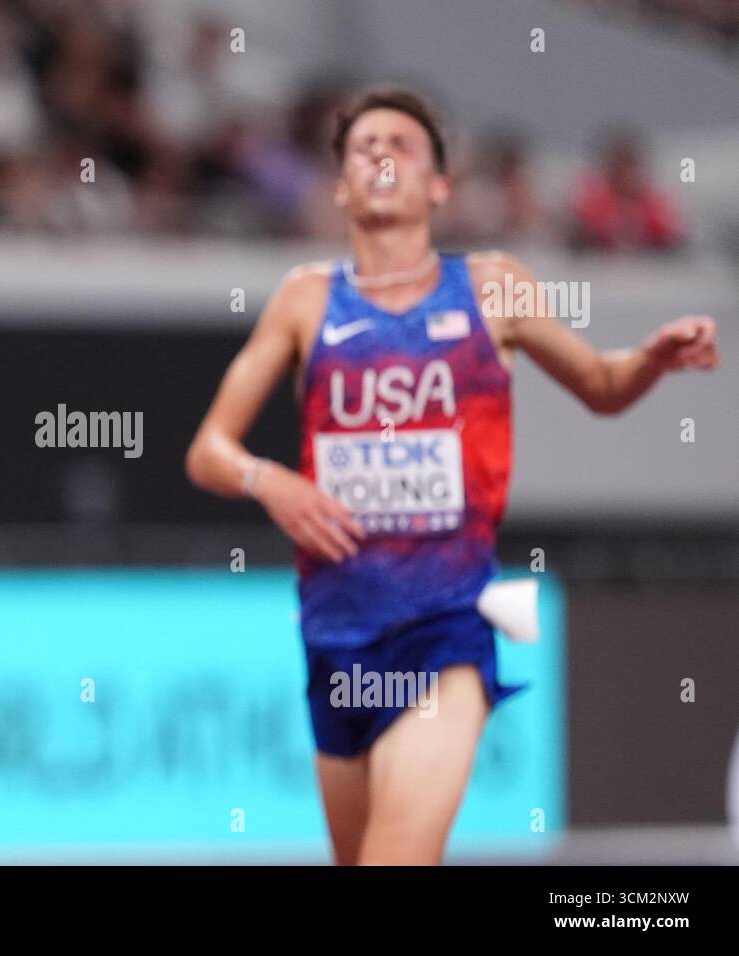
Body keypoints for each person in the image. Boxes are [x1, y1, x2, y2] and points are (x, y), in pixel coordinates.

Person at [184, 86, 719, 865]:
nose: (380, 156)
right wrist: (270, 480)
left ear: (439, 184)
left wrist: (650, 361)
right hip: (333, 636)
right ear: (339, 186)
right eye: (363, 146)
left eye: (401, 143)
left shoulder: (491, 285)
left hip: (444, 632)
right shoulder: (305, 299)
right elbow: (208, 450)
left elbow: (602, 385)